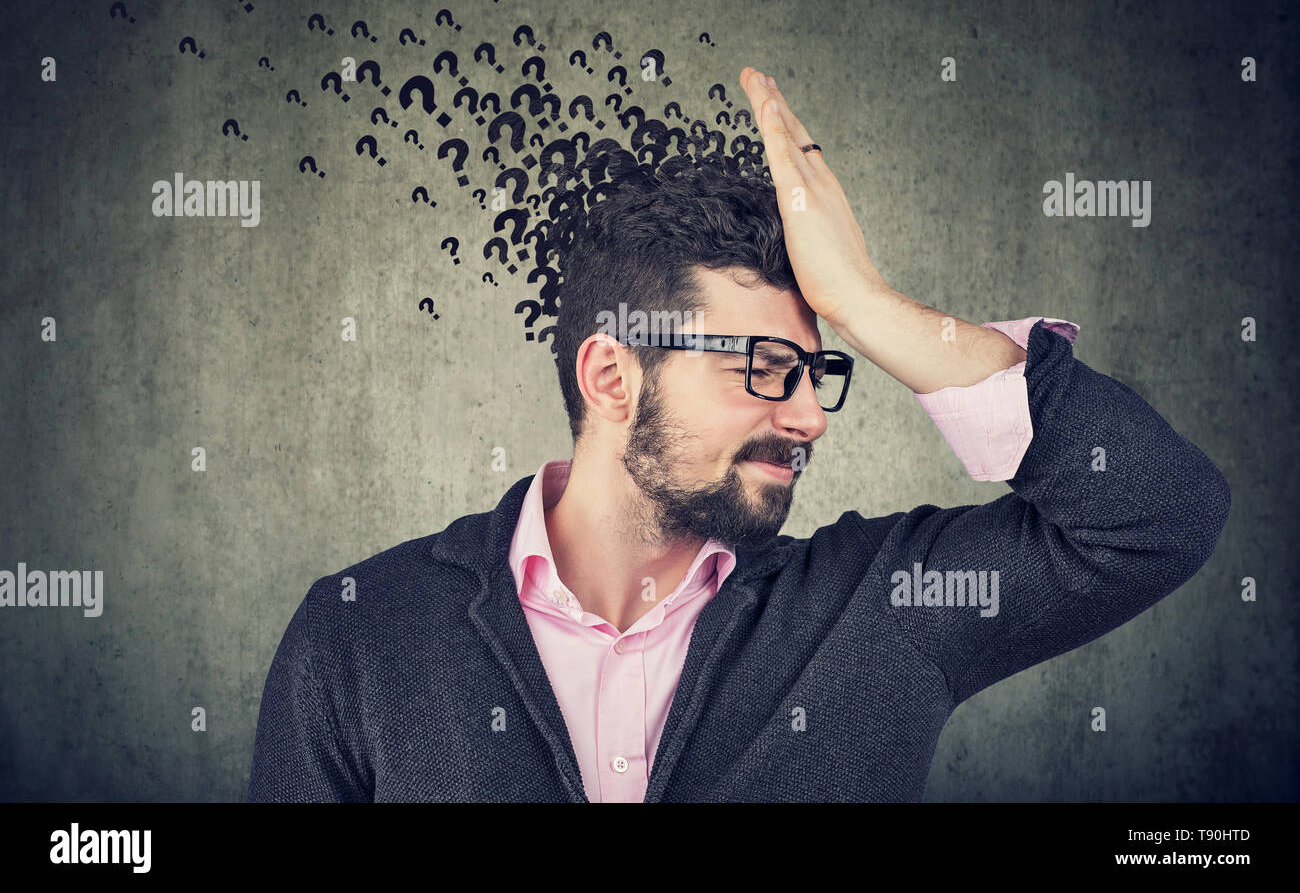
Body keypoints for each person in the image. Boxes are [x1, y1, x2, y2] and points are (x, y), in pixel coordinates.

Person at [246, 67, 1230, 802]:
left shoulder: (885, 610)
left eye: (816, 370)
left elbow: (1155, 511)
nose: (805, 414)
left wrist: (864, 301)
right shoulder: (361, 628)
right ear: (610, 375)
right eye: (762, 368)